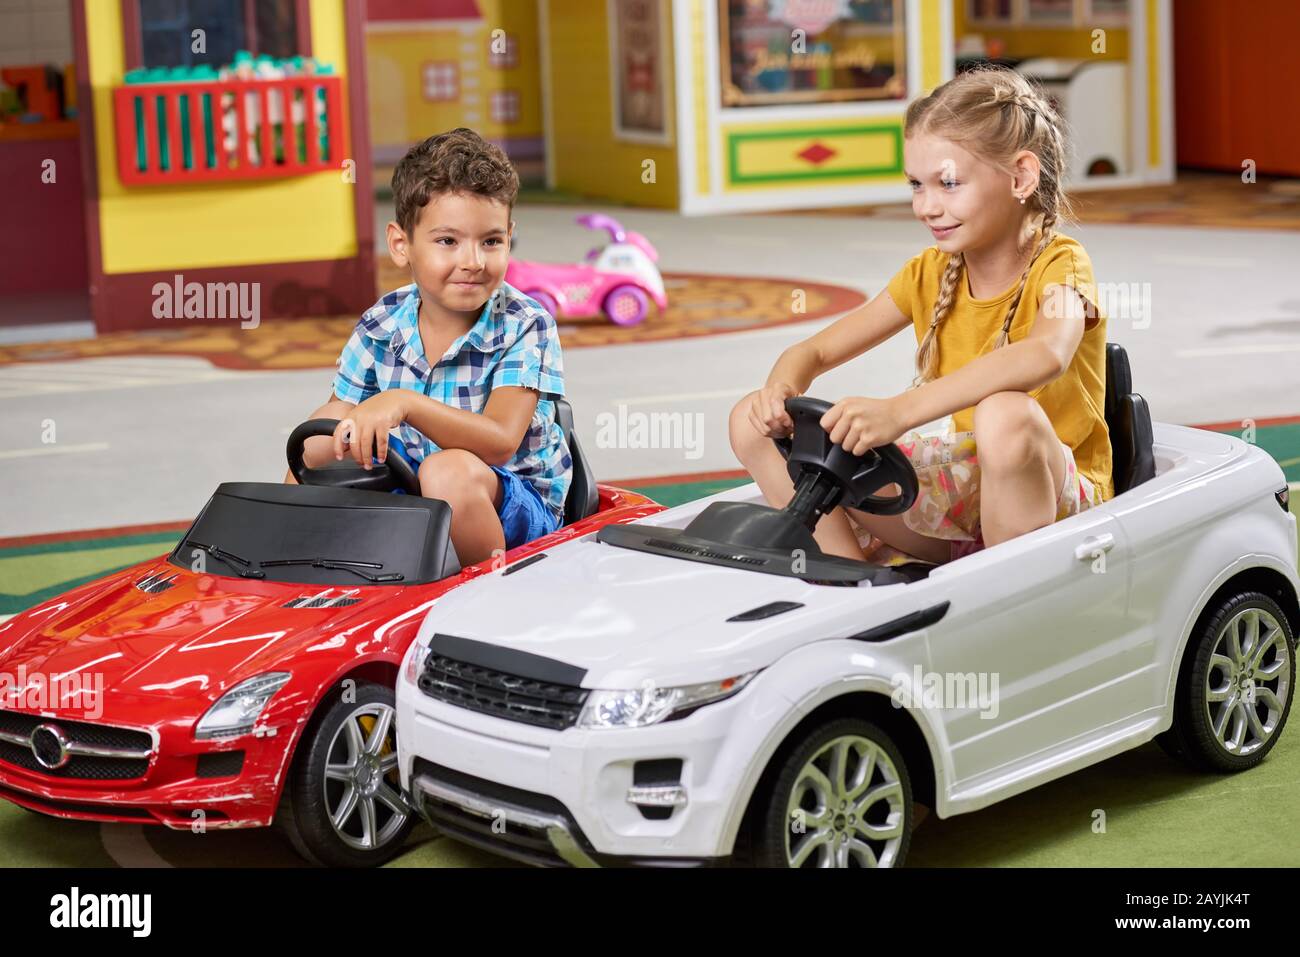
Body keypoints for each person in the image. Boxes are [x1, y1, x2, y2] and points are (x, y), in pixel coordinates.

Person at [729, 67, 1113, 566]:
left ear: (1020, 177)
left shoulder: (1062, 265)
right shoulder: (928, 273)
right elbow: (813, 352)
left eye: (948, 183)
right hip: (964, 490)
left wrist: (899, 412)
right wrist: (780, 390)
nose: (926, 206)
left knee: (1005, 414)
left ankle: (1006, 591)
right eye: (916, 185)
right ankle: (844, 577)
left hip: (1058, 498)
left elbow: (1045, 354)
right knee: (748, 420)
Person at [285, 128, 571, 566]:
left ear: (509, 237)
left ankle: (488, 596)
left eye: (491, 241)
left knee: (448, 471)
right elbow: (331, 433)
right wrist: (334, 439)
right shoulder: (381, 324)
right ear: (402, 245)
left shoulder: (525, 324)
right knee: (327, 429)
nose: (473, 261)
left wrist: (403, 403)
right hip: (414, 489)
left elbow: (498, 444)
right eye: (448, 241)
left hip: (514, 499)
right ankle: (288, 561)